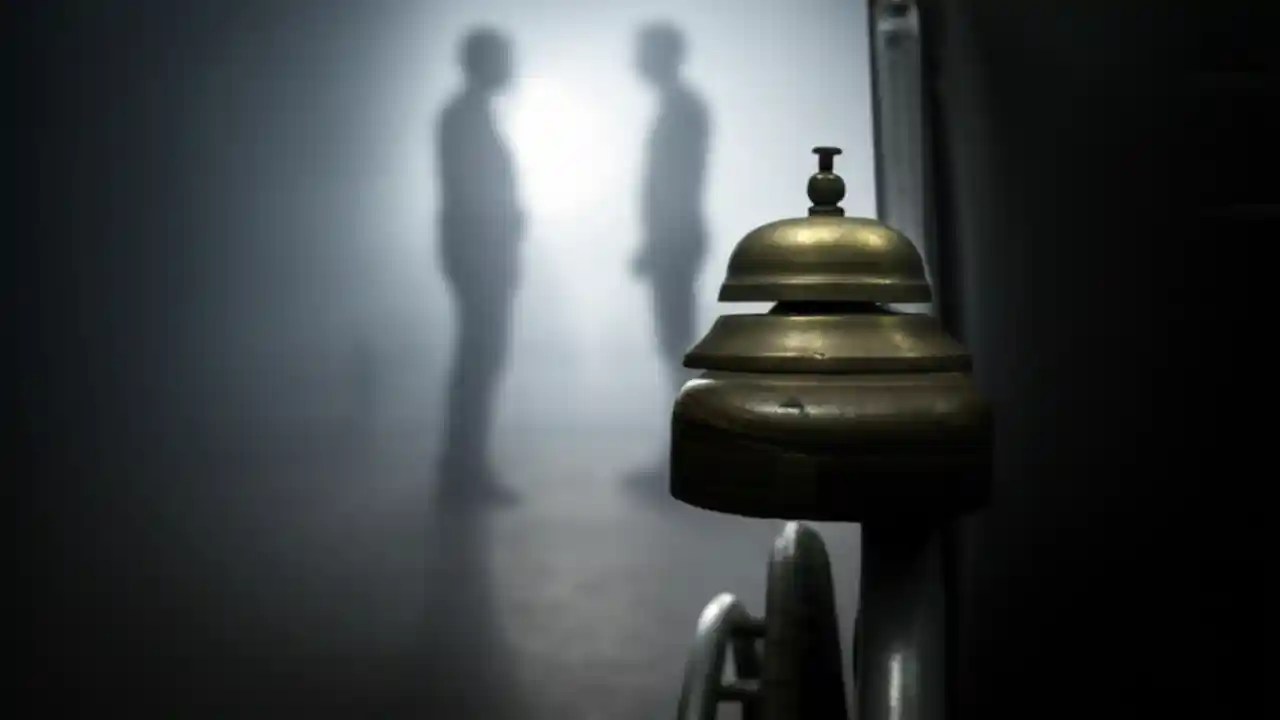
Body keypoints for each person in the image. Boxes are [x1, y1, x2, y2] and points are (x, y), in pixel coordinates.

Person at [435, 29, 522, 504]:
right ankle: (463, 471)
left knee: (479, 362)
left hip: (480, 255)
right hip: (480, 257)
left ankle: (465, 466)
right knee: (479, 363)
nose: (512, 68)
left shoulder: (467, 115)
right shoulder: (466, 118)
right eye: (506, 58)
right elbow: (474, 196)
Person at [632, 22, 710, 398]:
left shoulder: (680, 109)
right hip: (674, 236)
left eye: (643, 51)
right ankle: (685, 430)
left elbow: (677, 183)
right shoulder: (678, 106)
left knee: (676, 338)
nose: (635, 61)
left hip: (674, 239)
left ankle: (691, 433)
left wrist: (658, 241)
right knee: (674, 337)